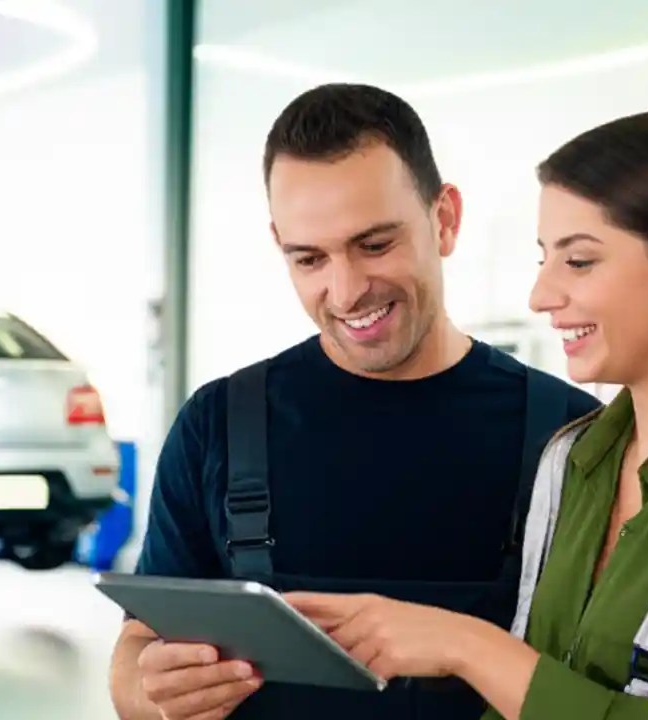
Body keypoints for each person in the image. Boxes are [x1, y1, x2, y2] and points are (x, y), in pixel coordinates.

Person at [286, 109, 648, 719]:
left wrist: (471, 647)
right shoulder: (575, 461)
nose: (542, 296)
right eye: (544, 259)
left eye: (579, 261)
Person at [108, 83, 600, 720]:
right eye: (309, 258)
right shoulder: (219, 424)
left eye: (375, 245)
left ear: (444, 219)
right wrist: (151, 692)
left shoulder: (572, 436)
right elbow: (136, 651)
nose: (345, 292)